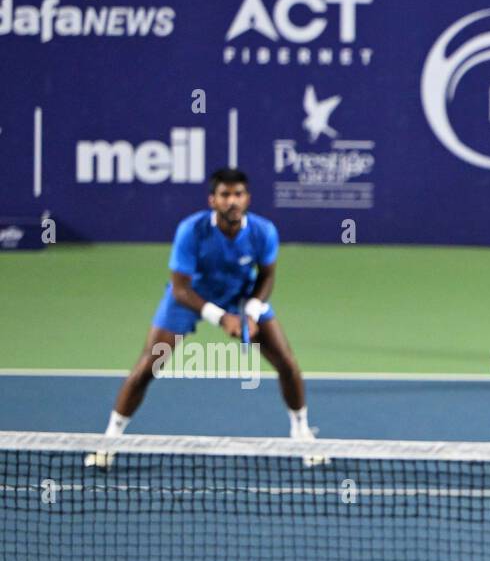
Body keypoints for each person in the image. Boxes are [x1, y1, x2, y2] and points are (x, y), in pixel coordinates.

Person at [87, 167, 320, 465]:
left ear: (247, 198)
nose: (232, 201)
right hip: (191, 297)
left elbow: (267, 277)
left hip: (241, 295)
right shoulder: (191, 230)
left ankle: (301, 433)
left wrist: (250, 311)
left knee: (287, 363)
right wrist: (223, 318)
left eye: (238, 194)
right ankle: (108, 441)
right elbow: (180, 288)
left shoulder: (264, 232)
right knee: (148, 365)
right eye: (225, 195)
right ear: (212, 200)